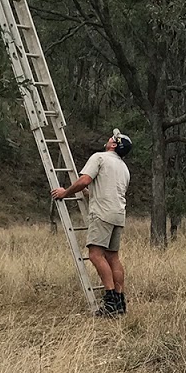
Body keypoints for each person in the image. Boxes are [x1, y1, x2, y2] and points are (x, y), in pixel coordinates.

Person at [52, 129, 132, 316]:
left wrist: (65, 193)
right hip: (118, 214)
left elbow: (85, 180)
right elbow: (108, 190)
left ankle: (110, 300)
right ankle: (120, 303)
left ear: (113, 145)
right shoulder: (124, 168)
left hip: (102, 213)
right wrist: (89, 194)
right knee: (113, 257)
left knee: (96, 255)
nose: (108, 139)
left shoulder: (100, 158)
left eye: (111, 138)